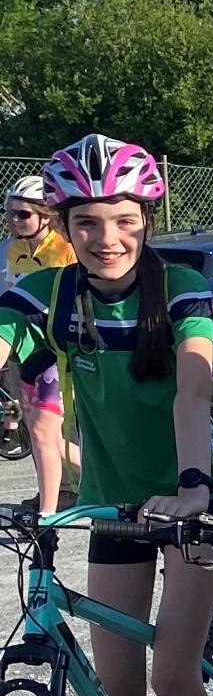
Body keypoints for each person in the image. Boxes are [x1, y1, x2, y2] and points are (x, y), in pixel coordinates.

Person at [0, 134, 213, 696]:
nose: (108, 238)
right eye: (88, 223)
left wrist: (193, 486)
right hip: (114, 503)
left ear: (148, 222)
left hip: (194, 494)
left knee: (171, 674)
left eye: (125, 220)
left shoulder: (180, 287)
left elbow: (191, 391)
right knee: (116, 695)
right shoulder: (48, 290)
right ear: (63, 225)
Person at [4, 174, 78, 508]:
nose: (13, 220)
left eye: (23, 214)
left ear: (45, 216)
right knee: (39, 432)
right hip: (23, 349)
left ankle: (106, 479)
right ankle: (56, 495)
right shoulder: (16, 250)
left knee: (44, 429)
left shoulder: (65, 250)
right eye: (9, 213)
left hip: (53, 350)